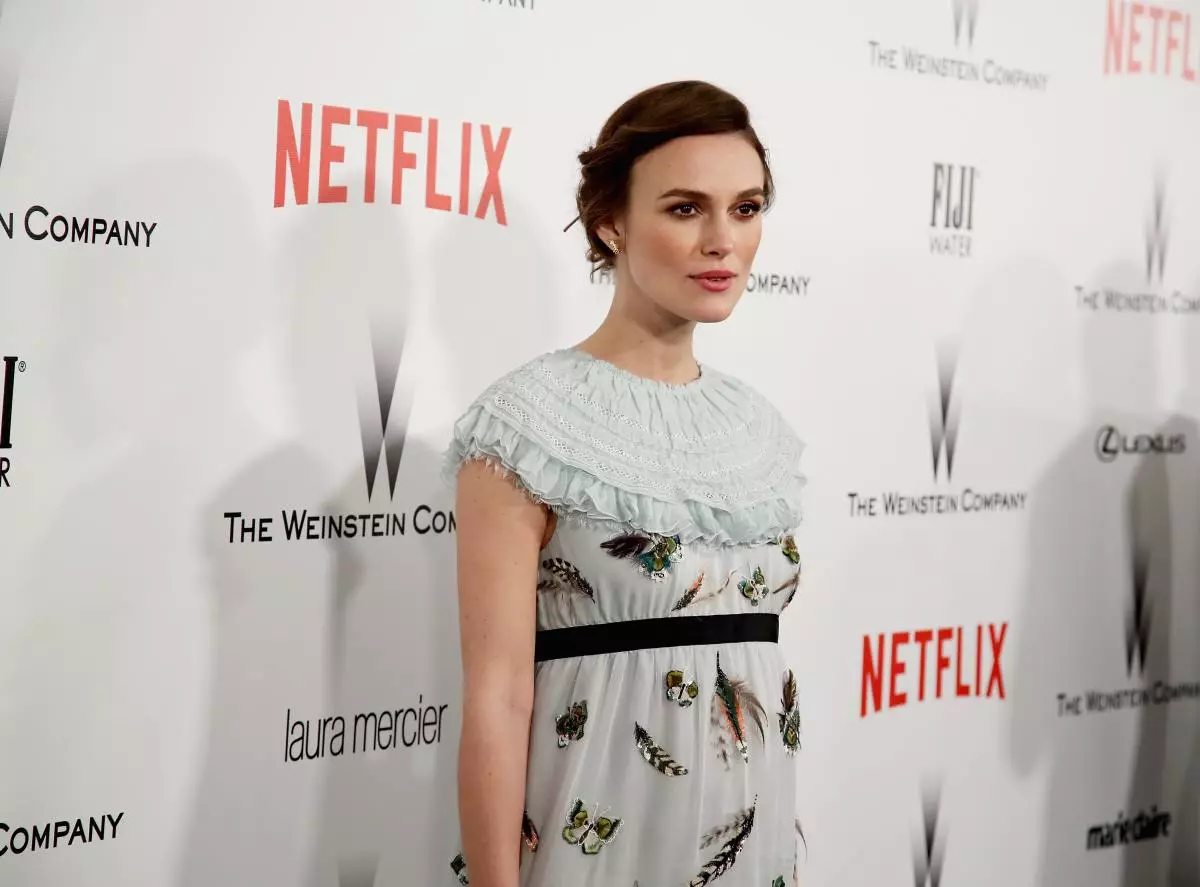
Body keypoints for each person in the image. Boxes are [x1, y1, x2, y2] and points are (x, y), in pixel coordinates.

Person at [442, 80, 806, 887]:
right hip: (596, 846)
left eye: (746, 208)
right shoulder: (526, 425)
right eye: (685, 209)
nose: (723, 241)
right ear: (611, 222)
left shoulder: (759, 431)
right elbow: (497, 699)